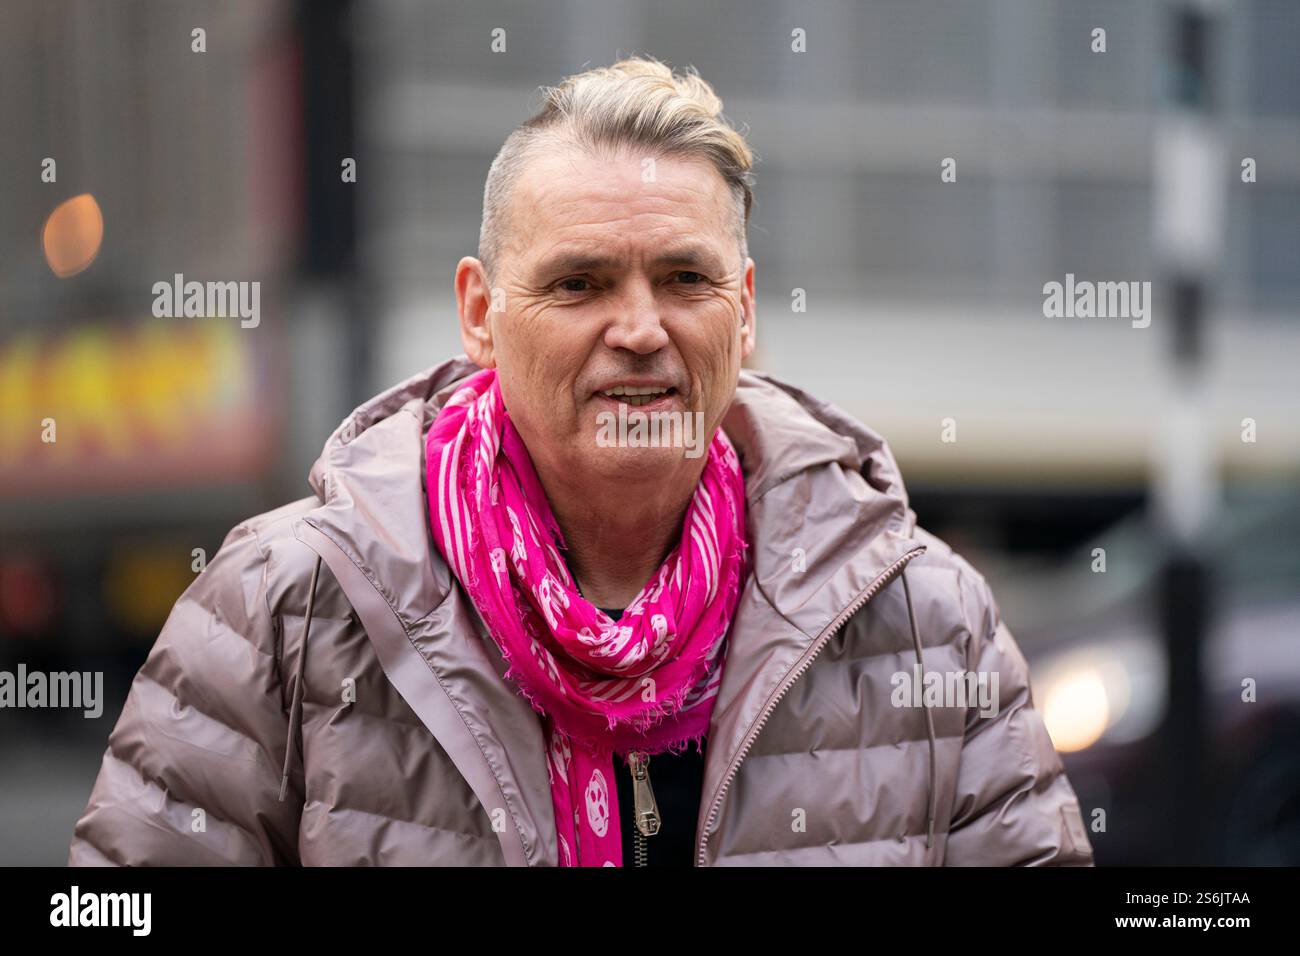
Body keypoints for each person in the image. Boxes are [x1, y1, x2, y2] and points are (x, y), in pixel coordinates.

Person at [69, 57, 1093, 867]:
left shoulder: (926, 619)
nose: (640, 328)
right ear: (479, 312)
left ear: (742, 312)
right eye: (580, 281)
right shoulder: (280, 606)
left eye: (683, 277)